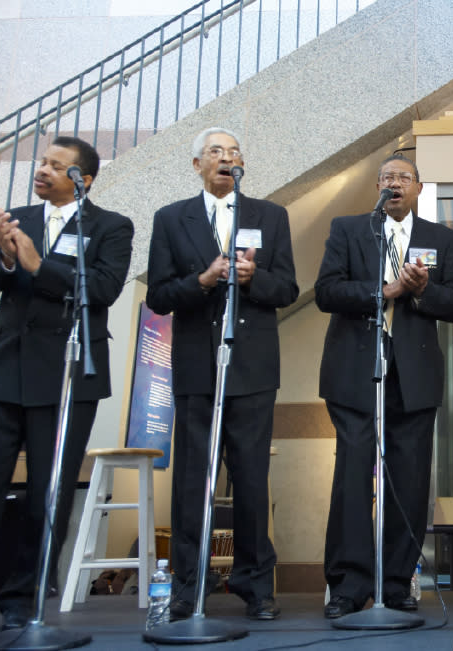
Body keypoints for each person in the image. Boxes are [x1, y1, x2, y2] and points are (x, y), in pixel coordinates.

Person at [0, 137, 133, 635]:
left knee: (47, 495)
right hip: (1, 373)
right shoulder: (16, 218)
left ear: (84, 178)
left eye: (56, 167)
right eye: (42, 162)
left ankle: (24, 597)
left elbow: (102, 289)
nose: (42, 171)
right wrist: (6, 256)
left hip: (65, 375)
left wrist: (39, 265)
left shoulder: (110, 227)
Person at [146, 127, 298, 621]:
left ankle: (256, 585)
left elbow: (289, 288)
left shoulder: (270, 216)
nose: (226, 158)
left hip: (253, 367)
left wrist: (255, 280)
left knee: (252, 478)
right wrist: (203, 280)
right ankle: (189, 586)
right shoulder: (171, 219)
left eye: (234, 152)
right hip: (196, 366)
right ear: (197, 165)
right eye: (216, 152)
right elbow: (160, 296)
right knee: (194, 479)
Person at [316, 153, 453, 618]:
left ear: (419, 188)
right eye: (386, 178)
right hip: (355, 370)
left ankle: (398, 580)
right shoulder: (349, 229)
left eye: (403, 177)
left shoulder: (440, 238)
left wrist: (421, 291)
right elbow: (326, 292)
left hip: (414, 375)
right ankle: (348, 583)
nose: (394, 183)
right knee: (353, 475)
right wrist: (384, 292)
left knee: (410, 476)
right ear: (378, 189)